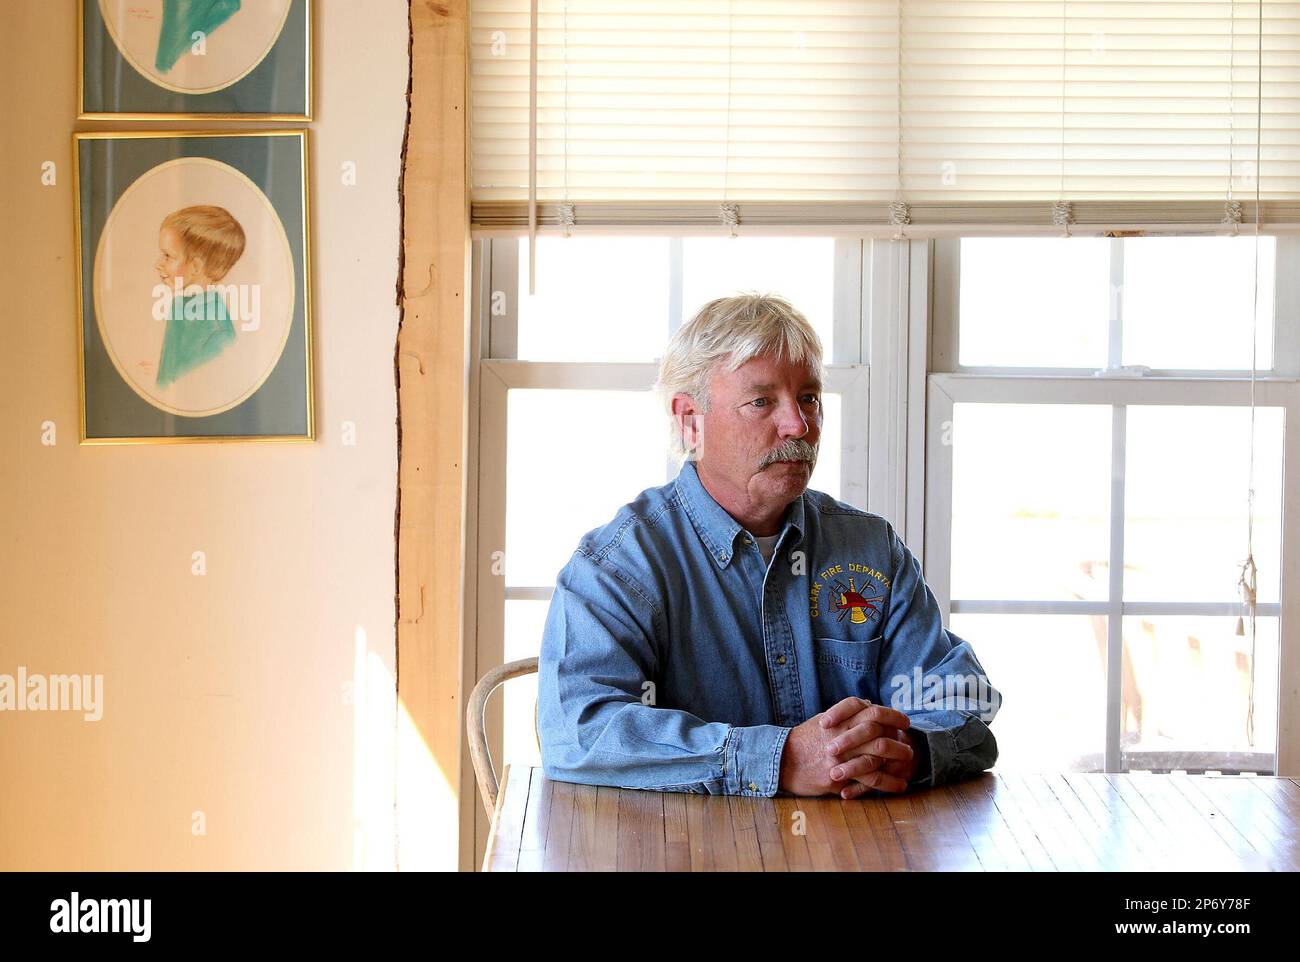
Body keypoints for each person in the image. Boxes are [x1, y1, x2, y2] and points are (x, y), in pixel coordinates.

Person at [538, 293, 1000, 798]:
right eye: (762, 402)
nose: (799, 426)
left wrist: (907, 750)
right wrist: (778, 760)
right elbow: (578, 735)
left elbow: (960, 696)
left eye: (809, 398)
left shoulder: (871, 547)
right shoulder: (619, 565)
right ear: (689, 419)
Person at [153, 205, 245, 388]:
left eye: (167, 256)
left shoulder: (218, 332)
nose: (158, 264)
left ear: (195, 267)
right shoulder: (182, 304)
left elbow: (189, 383)